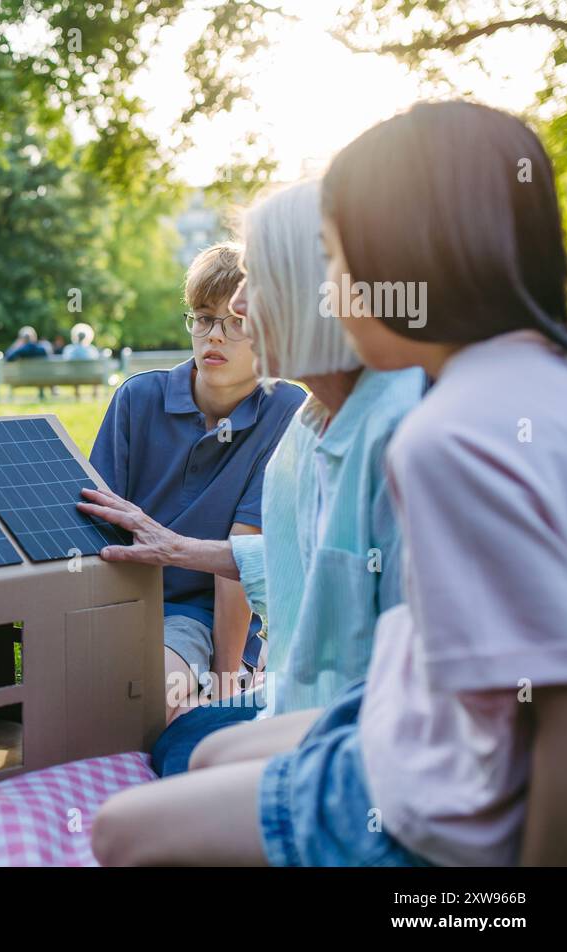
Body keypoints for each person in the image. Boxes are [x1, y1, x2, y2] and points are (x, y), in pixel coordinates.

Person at [90, 101, 567, 866]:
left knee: (122, 826)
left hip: (425, 801)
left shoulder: (443, 432)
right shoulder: (526, 388)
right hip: (405, 739)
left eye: (338, 254)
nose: (243, 307)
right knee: (201, 751)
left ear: (412, 254)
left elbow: (557, 713)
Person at [83, 181, 425, 776]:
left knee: (160, 770)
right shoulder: (310, 427)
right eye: (207, 315)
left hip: (362, 737)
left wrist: (229, 671)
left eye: (256, 281)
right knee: (182, 744)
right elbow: (288, 565)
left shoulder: (377, 426)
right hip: (303, 701)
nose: (235, 310)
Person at [89, 242, 305, 725]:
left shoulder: (284, 410)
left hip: (199, 617)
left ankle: (201, 716)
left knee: (145, 696)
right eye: (204, 318)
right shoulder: (138, 398)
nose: (216, 336)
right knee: (79, 693)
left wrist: (227, 693)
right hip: (122, 602)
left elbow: (239, 566)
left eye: (236, 322)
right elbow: (94, 519)